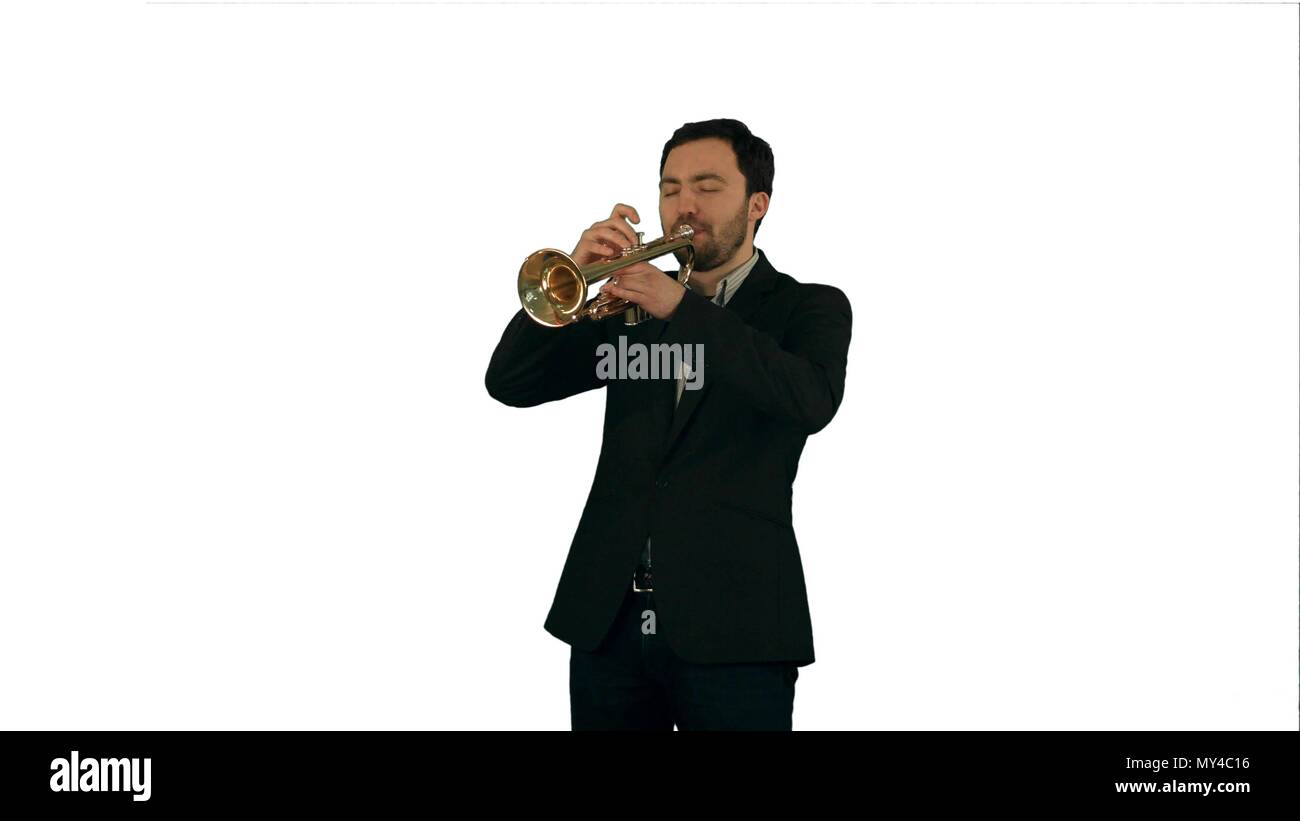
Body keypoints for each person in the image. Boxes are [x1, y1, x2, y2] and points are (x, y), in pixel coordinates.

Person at [485, 118, 852, 730]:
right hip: (608, 622)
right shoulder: (629, 310)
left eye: (707, 186)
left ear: (757, 204)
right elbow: (510, 384)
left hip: (739, 629)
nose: (683, 204)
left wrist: (683, 308)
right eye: (670, 187)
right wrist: (572, 280)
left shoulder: (809, 306)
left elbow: (809, 399)